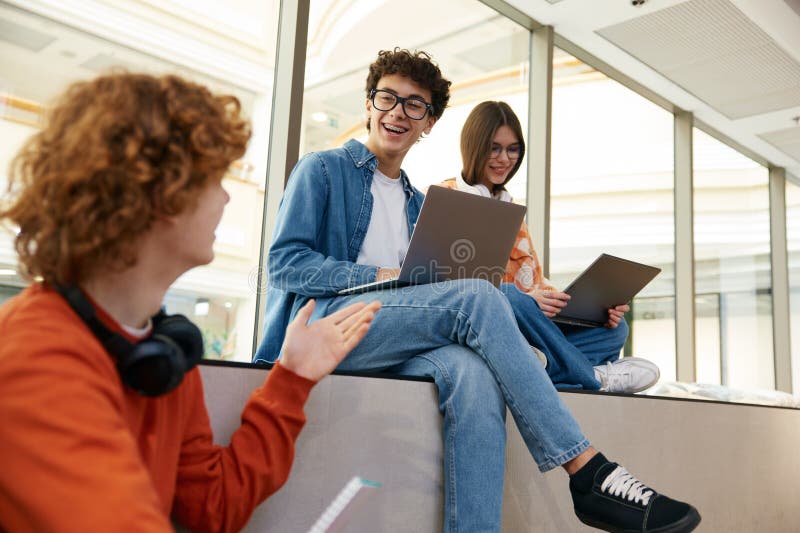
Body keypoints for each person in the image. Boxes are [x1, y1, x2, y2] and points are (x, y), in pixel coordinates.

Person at [254, 48, 700, 533]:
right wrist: (384, 274)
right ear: (368, 104)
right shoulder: (322, 169)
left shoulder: (419, 204)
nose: (398, 112)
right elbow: (284, 263)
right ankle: (588, 472)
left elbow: (429, 288)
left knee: (473, 371)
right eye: (387, 98)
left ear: (429, 123)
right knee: (479, 295)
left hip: (394, 334)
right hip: (329, 328)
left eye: (414, 105)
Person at [0, 72, 381, 532]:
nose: (226, 196)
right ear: (159, 191)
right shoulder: (35, 355)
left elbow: (213, 508)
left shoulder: (159, 351)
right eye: (214, 178)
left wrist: (292, 378)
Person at [435, 100, 660, 392]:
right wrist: (526, 299)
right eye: (494, 148)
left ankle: (538, 365)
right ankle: (593, 378)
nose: (504, 159)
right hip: (478, 324)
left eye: (513, 149)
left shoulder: (512, 211)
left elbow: (536, 282)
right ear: (474, 147)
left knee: (614, 328)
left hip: (528, 329)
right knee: (508, 297)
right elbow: (441, 286)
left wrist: (581, 306)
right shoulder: (443, 197)